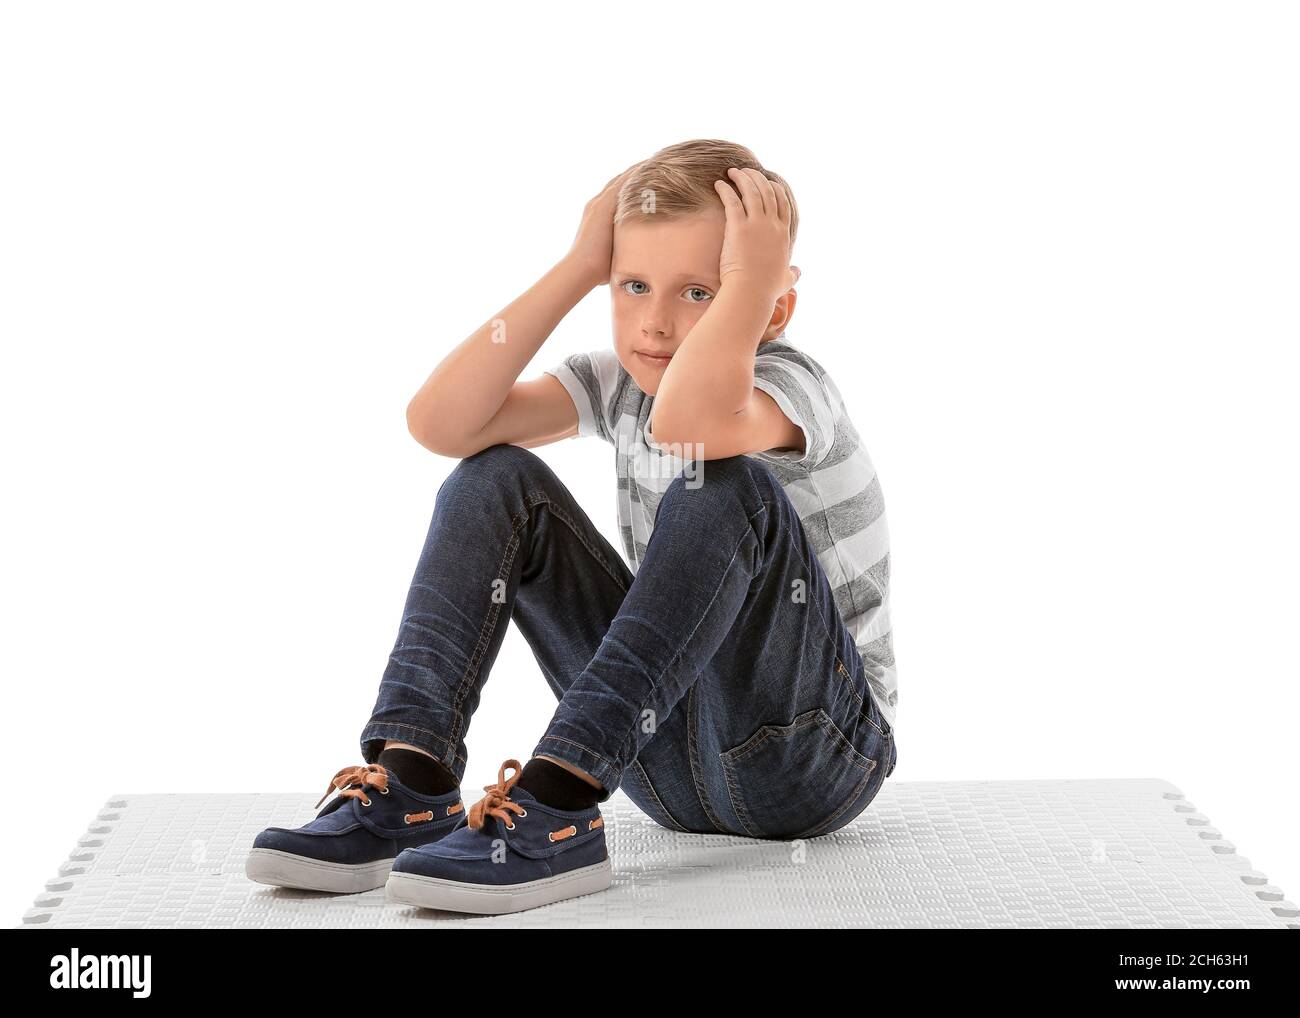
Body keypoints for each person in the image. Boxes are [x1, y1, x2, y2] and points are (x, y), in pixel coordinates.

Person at [246, 139, 897, 915]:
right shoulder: (623, 382)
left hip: (812, 756)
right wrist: (577, 266)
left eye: (700, 293)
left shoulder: (793, 387)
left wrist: (751, 283)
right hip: (661, 762)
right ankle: (411, 784)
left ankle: (559, 803)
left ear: (772, 308)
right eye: (633, 285)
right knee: (491, 476)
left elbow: (692, 422)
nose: (654, 323)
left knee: (722, 482)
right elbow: (441, 423)